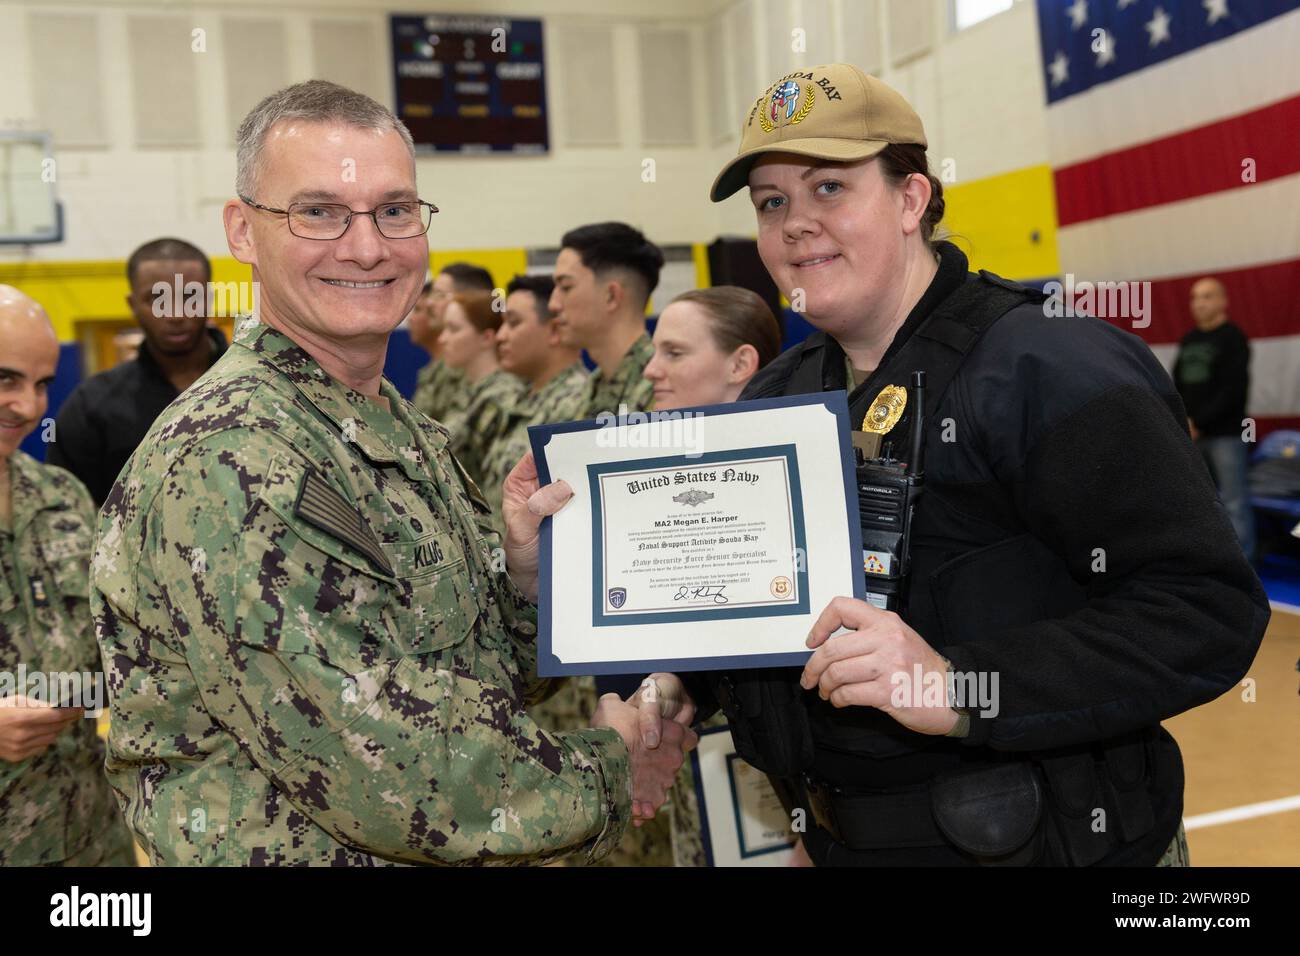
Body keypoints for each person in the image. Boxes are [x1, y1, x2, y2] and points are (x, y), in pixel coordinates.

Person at [624, 63, 1266, 866]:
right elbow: (758, 603)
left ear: (911, 199)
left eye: (829, 188)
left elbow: (1204, 612)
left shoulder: (1053, 369)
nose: (793, 224)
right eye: (771, 202)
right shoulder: (776, 398)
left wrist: (956, 686)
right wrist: (680, 689)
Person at [90, 79, 693, 867]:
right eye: (318, 211)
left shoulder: (396, 430)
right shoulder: (232, 453)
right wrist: (611, 768)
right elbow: (377, 762)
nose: (367, 247)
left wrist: (520, 579)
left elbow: (471, 675)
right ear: (243, 230)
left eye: (395, 210)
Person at [640, 286, 784, 867]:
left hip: (778, 772)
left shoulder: (790, 478)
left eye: (674, 353)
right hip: (693, 747)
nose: (651, 370)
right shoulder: (660, 470)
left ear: (740, 364)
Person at [0, 286, 135, 867]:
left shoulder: (61, 495)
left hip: (89, 835)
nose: (29, 408)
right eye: (5, 380)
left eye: (41, 384)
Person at [47, 238, 227, 506]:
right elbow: (67, 513)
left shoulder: (261, 385)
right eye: (157, 298)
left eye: (189, 296)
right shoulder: (92, 406)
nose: (175, 313)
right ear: (132, 305)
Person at [476, 274, 586, 532]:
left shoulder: (577, 404)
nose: (501, 336)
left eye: (513, 323)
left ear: (554, 330)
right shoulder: (519, 400)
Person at [1173, 278, 1255, 562]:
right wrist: (1184, 420)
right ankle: (1207, 561)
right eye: (1195, 297)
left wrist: (1200, 423)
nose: (1200, 303)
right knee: (1197, 502)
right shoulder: (1189, 340)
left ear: (1223, 301)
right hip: (1192, 433)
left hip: (1226, 434)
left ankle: (1244, 565)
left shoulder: (1233, 338)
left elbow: (1232, 390)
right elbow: (1177, 385)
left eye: (1207, 296)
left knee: (1233, 501)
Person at [549, 222, 663, 420]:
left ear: (611, 296)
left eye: (566, 287)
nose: (553, 304)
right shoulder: (585, 394)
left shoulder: (664, 389)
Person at [436, 290, 524, 484]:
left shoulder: (502, 396)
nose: (443, 339)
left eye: (454, 329)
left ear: (486, 337)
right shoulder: (466, 390)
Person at [411, 263, 495, 424]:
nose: (429, 303)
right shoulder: (447, 366)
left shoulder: (484, 372)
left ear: (470, 299)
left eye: (439, 295)